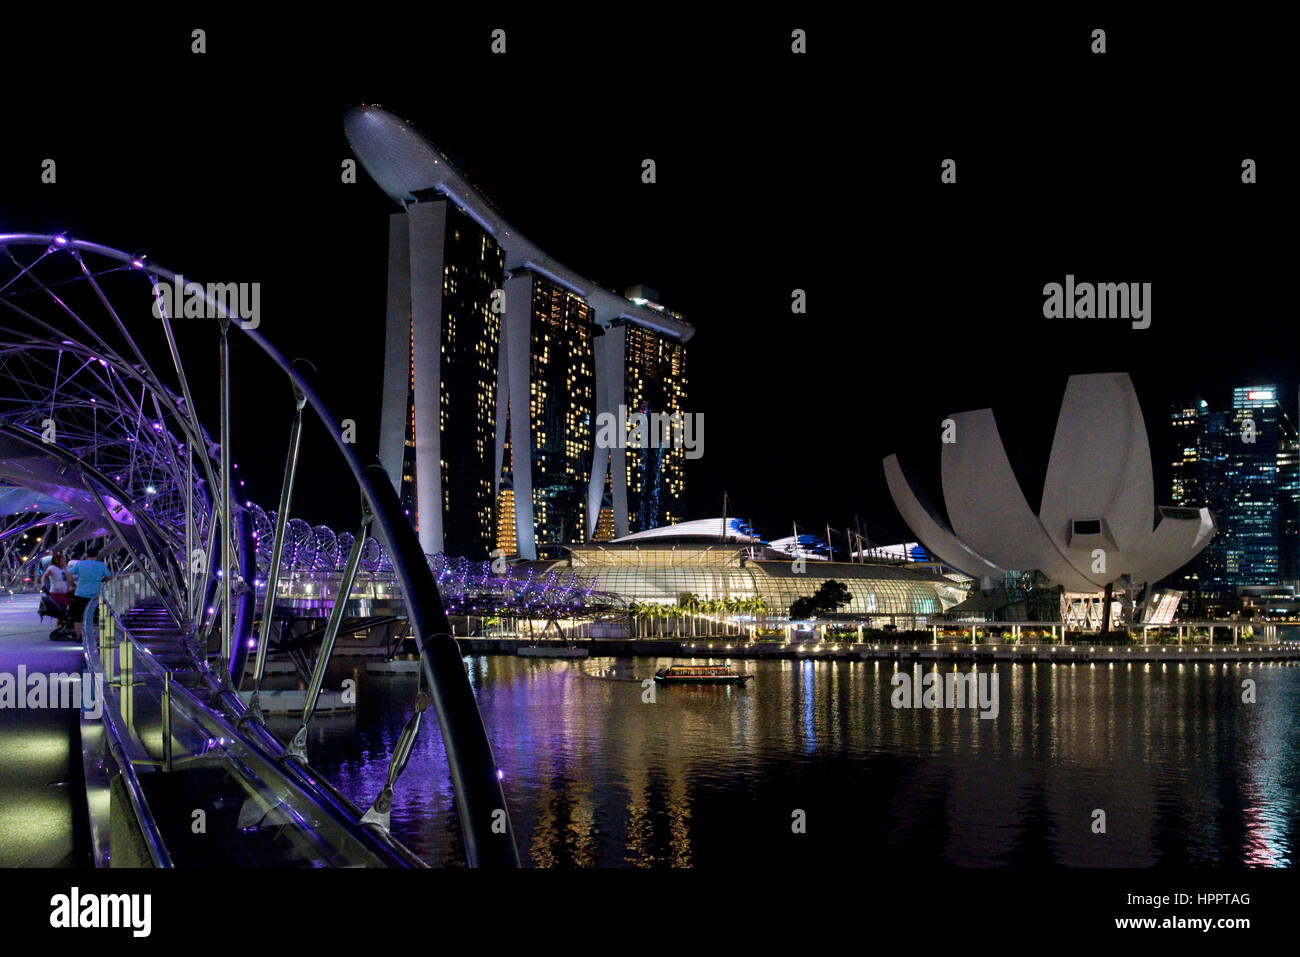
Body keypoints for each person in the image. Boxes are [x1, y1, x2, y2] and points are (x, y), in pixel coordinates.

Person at [68, 545, 112, 639]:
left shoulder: (80, 564)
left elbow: (69, 573)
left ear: (87, 555)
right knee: (98, 615)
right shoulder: (101, 565)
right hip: (95, 594)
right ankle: (97, 636)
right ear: (97, 554)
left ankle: (79, 635)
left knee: (78, 616)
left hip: (80, 593)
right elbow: (109, 577)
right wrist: (101, 579)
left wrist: (72, 584)